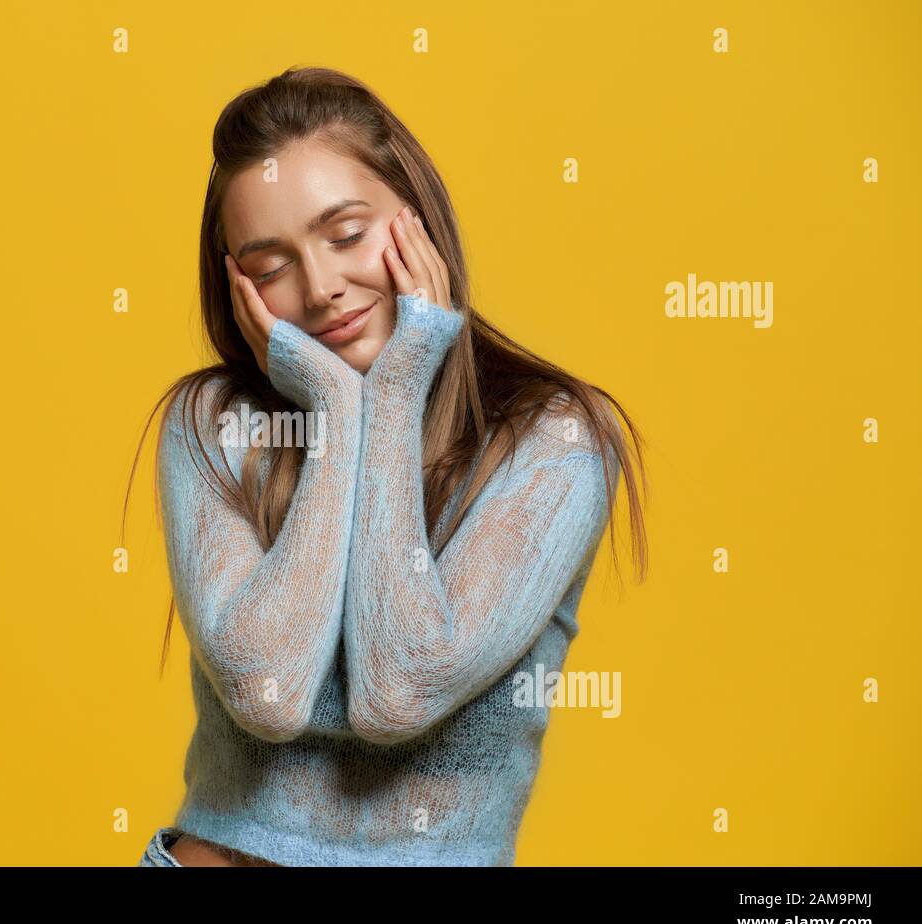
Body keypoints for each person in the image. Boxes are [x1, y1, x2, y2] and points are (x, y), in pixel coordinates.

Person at [126, 66, 649, 867]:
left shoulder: (555, 438)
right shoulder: (213, 426)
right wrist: (335, 412)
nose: (323, 288)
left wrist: (397, 388)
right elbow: (265, 688)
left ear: (417, 214)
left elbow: (398, 687)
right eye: (270, 266)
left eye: (345, 235)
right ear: (236, 287)